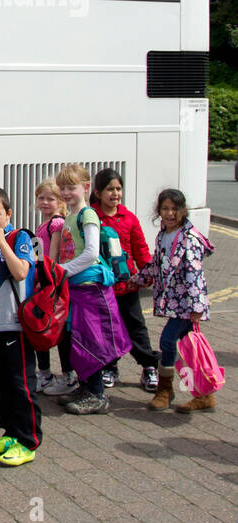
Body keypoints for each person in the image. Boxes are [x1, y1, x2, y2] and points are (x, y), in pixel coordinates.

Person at [54, 163, 128, 416]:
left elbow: (91, 253)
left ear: (85, 187)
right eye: (62, 187)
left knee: (91, 339)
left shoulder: (88, 215)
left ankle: (96, 394)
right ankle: (86, 387)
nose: (65, 192)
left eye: (70, 187)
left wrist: (62, 271)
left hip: (89, 286)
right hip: (76, 287)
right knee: (78, 338)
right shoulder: (70, 216)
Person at [0, 187, 41, 467]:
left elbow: (21, 271)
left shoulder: (19, 237)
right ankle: (10, 433)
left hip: (16, 324)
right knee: (0, 384)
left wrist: (3, 242)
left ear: (9, 214)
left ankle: (28, 441)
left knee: (21, 385)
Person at [138, 189, 215, 412]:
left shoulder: (188, 239)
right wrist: (138, 279)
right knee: (188, 349)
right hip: (176, 304)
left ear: (183, 210)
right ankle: (203, 395)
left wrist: (197, 307)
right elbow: (156, 263)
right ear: (159, 211)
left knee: (167, 342)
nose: (170, 213)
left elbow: (195, 274)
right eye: (165, 208)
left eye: (175, 209)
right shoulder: (164, 235)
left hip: (187, 306)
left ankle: (165, 390)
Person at [92, 168, 159, 392]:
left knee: (136, 326)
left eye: (118, 189)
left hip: (128, 285)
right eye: (110, 189)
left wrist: (147, 274)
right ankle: (110, 367)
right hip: (102, 286)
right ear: (98, 192)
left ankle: (149, 366)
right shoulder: (91, 217)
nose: (115, 194)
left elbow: (141, 248)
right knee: (107, 329)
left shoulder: (129, 218)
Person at [33, 179, 71, 393]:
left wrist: (45, 281)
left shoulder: (56, 223)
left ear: (60, 202)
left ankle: (65, 375)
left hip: (49, 284)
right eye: (41, 198)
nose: (45, 202)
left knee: (52, 329)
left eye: (51, 198)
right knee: (41, 329)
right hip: (41, 281)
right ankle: (45, 373)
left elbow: (52, 258)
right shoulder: (43, 224)